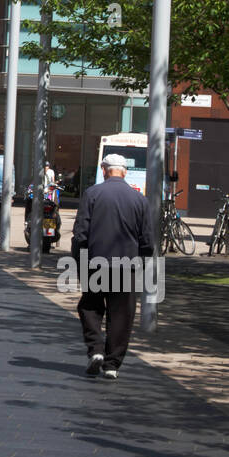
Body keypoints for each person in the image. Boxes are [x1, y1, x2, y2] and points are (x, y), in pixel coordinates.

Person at [71, 153, 155, 380]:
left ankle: (96, 349)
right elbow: (147, 240)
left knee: (90, 307)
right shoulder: (139, 200)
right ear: (124, 171)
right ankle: (112, 364)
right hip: (127, 265)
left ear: (104, 169)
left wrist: (79, 261)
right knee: (122, 314)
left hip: (95, 262)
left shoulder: (92, 194)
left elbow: (80, 234)